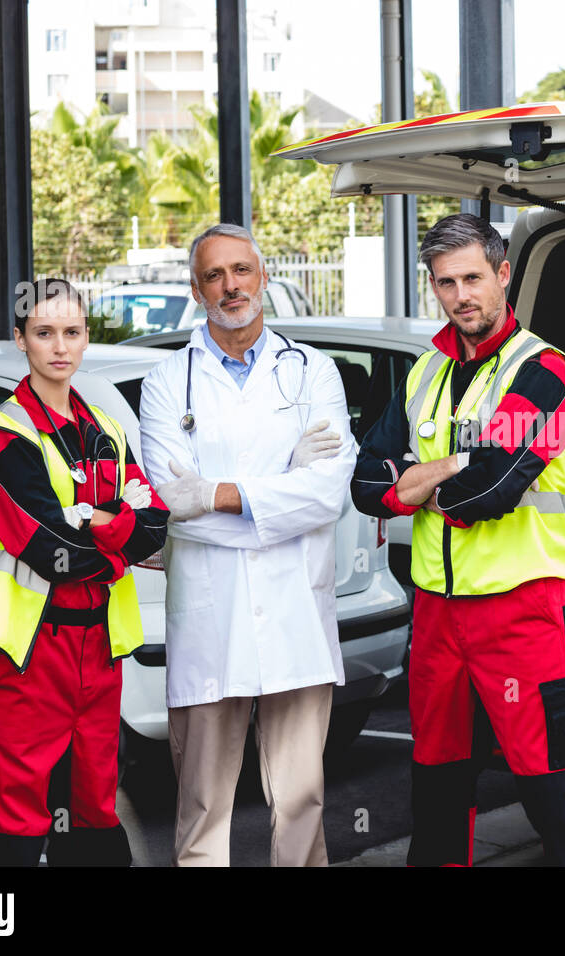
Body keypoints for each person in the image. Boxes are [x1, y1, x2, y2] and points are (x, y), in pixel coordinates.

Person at [351, 213, 565, 867]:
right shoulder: (424, 376)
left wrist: (417, 482)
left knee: (557, 794)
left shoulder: (548, 374)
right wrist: (450, 470)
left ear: (503, 275)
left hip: (524, 611)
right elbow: (363, 483)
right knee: (437, 795)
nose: (460, 295)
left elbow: (489, 493)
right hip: (439, 614)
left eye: (473, 277)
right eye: (446, 283)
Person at [138, 223, 355, 867]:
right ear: (197, 288)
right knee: (203, 803)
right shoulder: (165, 382)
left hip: (294, 610)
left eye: (241, 270)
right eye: (214, 275)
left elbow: (328, 496)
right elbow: (175, 506)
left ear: (262, 275)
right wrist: (283, 478)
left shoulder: (312, 370)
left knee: (301, 801)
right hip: (212, 618)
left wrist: (220, 492)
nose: (230, 286)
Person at [0, 277, 168, 866]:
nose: (59, 347)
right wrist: (119, 525)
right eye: (44, 333)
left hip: (98, 651)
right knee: (9, 817)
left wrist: (96, 522)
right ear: (19, 339)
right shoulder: (1, 437)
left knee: (94, 811)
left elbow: (158, 525)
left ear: (85, 339)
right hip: (26, 651)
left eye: (71, 333)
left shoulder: (105, 429)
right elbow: (56, 553)